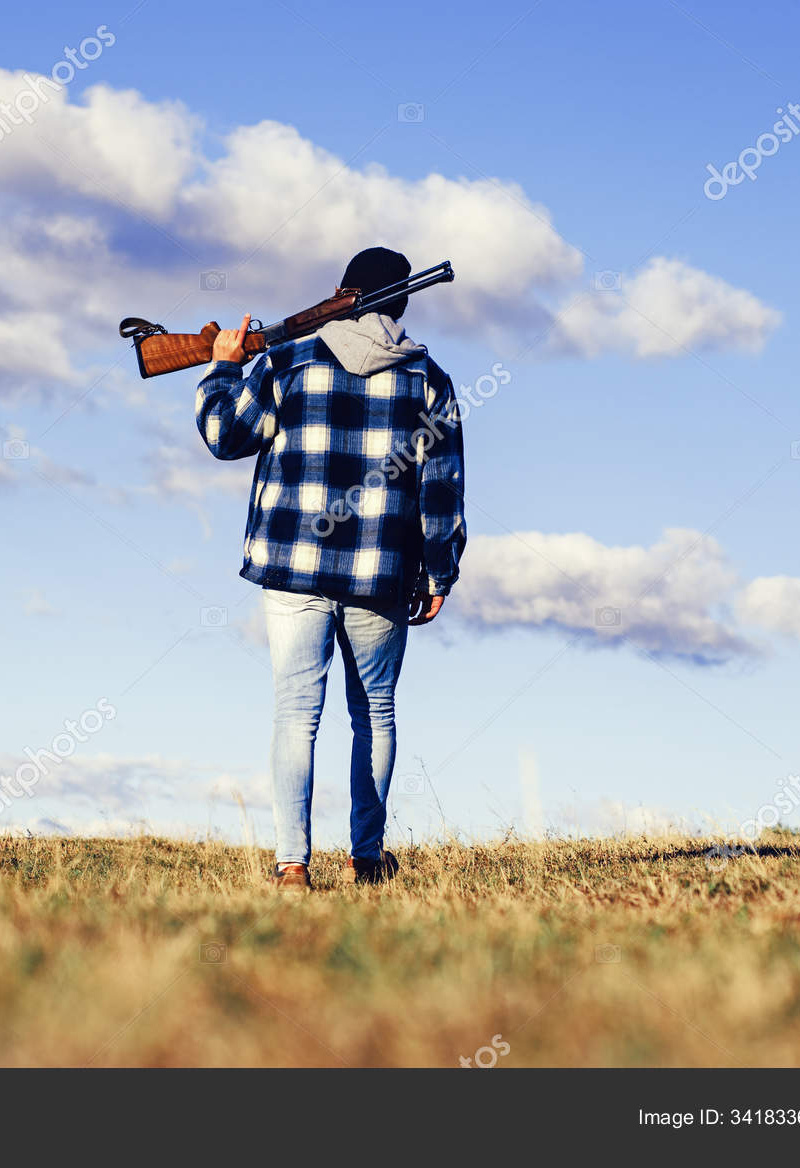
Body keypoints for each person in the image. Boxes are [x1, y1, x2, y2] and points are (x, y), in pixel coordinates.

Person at [194, 246, 466, 891]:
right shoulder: (429, 380)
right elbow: (441, 490)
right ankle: (366, 859)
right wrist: (439, 572)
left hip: (293, 565)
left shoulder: (286, 361)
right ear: (402, 303)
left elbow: (224, 436)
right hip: (381, 572)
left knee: (295, 714)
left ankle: (292, 865)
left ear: (341, 295)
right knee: (375, 712)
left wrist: (222, 367)